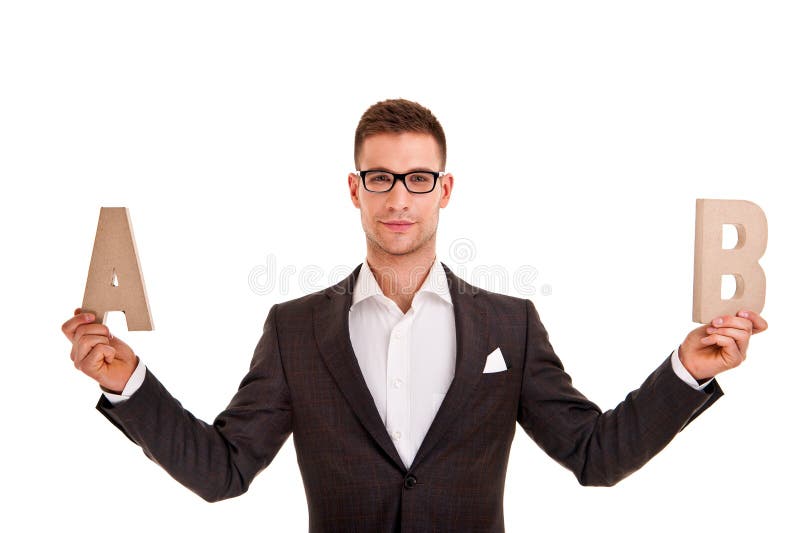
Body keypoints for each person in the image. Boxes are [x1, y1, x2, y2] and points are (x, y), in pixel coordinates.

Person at [62, 98, 768, 532]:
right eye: (381, 178)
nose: (399, 197)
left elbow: (595, 454)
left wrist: (686, 371)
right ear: (355, 189)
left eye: (417, 178)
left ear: (444, 189)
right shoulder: (295, 328)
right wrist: (130, 382)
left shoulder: (509, 325)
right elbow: (224, 470)